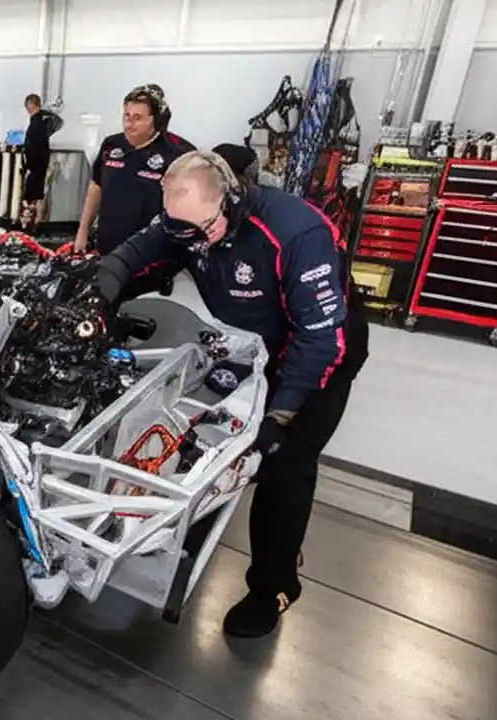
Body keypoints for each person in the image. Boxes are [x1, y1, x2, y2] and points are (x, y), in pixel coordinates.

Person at [75, 149, 370, 638]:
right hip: (252, 343)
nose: (192, 243)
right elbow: (129, 256)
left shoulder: (297, 232)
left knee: (281, 464)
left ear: (230, 200)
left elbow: (322, 339)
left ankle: (274, 586)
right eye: (180, 232)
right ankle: (174, 536)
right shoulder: (184, 220)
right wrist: (99, 298)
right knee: (198, 435)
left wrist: (280, 415)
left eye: (201, 230)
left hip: (321, 352)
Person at [73, 84, 195, 257]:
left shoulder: (176, 153)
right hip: (108, 248)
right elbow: (95, 188)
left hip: (150, 254)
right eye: (127, 117)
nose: (129, 124)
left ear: (155, 120)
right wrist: (82, 231)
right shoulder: (111, 145)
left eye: (137, 118)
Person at [21, 93, 56, 231]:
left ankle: (34, 222)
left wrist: (29, 165)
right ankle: (35, 221)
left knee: (33, 194)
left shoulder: (37, 123)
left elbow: (35, 146)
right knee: (36, 193)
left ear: (33, 105)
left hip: (36, 165)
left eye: (28, 105)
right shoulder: (40, 122)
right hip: (38, 164)